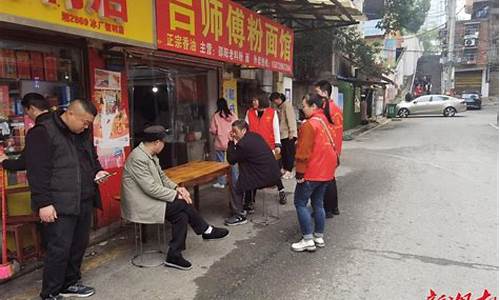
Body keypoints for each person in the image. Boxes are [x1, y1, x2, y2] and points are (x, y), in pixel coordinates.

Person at [25, 99, 111, 300]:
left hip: (84, 198)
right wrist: (44, 203)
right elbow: (37, 172)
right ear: (71, 114)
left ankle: (70, 283)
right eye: (84, 122)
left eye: (89, 123)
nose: (86, 126)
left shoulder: (82, 133)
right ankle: (50, 292)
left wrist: (98, 171)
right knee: (59, 249)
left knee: (78, 246)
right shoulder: (42, 132)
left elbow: (92, 158)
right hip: (58, 203)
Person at [121, 125, 229, 270]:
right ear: (157, 143)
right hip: (141, 203)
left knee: (181, 215)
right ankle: (206, 230)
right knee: (182, 204)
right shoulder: (138, 158)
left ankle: (174, 255)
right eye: (163, 142)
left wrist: (178, 188)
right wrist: (176, 194)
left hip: (150, 199)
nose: (164, 145)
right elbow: (150, 188)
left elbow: (163, 178)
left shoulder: (150, 155)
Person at [292, 94, 337, 252]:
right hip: (326, 172)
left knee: (300, 203)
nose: (302, 109)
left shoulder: (309, 124)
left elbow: (303, 152)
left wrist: (299, 173)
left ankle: (307, 239)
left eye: (304, 106)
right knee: (318, 204)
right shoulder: (326, 122)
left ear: (313, 107)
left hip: (311, 172)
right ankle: (318, 236)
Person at [224, 120, 282, 226]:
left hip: (264, 176)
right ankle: (247, 204)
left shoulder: (243, 144)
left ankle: (239, 215)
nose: (233, 134)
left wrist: (231, 142)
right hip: (272, 173)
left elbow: (231, 160)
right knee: (239, 171)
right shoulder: (255, 136)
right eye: (232, 131)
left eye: (235, 131)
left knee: (234, 180)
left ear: (244, 130)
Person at [245, 93, 287, 205]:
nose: (253, 102)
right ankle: (250, 201)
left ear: (261, 100)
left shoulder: (272, 113)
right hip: (253, 148)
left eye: (256, 100)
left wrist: (278, 145)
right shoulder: (249, 113)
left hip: (269, 148)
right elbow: (245, 129)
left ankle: (281, 191)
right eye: (253, 100)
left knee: (273, 172)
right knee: (252, 173)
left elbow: (276, 129)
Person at [0, 93, 51, 170]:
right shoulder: (60, 123)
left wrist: (4, 161)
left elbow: (23, 163)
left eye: (26, 112)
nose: (27, 116)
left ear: (32, 109)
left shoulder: (38, 131)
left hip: (48, 179)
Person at [315, 80, 343, 218]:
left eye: (318, 93)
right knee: (330, 178)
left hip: (327, 149)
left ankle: (327, 209)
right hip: (333, 149)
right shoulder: (335, 108)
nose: (316, 96)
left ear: (325, 93)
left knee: (326, 180)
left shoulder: (327, 109)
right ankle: (333, 207)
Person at [209, 97, 238, 189]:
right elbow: (237, 126)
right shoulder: (233, 115)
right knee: (233, 163)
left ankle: (221, 182)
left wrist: (214, 131)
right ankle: (235, 182)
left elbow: (213, 130)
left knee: (220, 164)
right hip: (231, 141)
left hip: (220, 142)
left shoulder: (216, 116)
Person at [270, 92, 297, 180]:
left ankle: (289, 170)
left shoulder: (287, 106)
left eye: (274, 101)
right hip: (282, 135)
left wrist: (292, 133)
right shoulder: (280, 107)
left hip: (288, 134)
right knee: (284, 153)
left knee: (289, 153)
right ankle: (285, 169)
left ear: (278, 99)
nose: (274, 103)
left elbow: (291, 119)